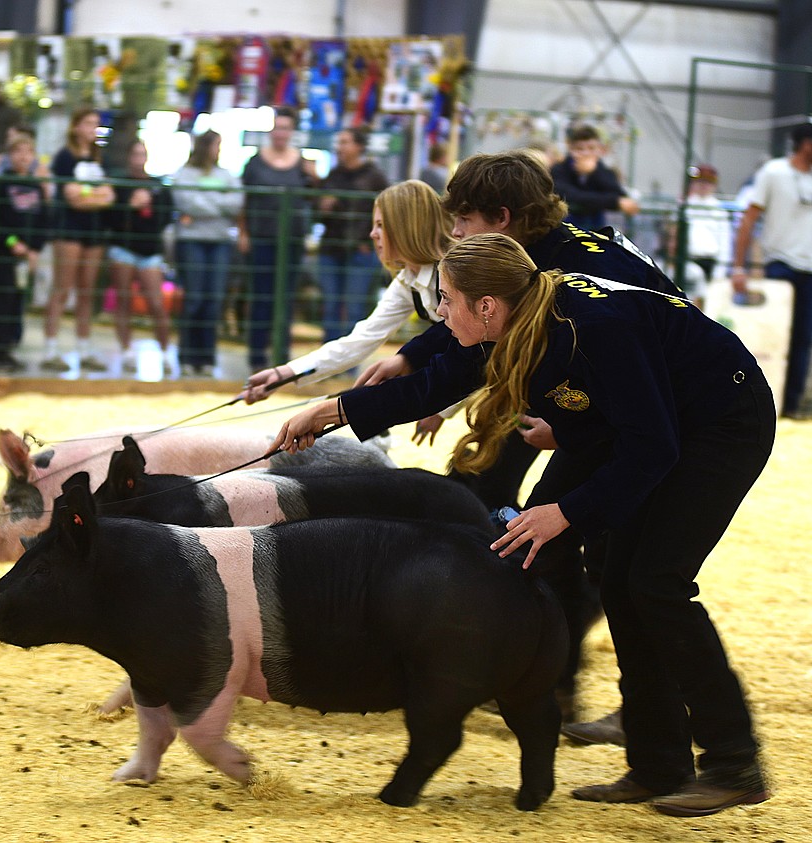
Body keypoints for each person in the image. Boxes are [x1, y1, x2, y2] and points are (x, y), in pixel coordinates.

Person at [276, 232, 776, 817]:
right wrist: (329, 410)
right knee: (617, 577)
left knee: (656, 583)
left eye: (446, 300)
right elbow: (433, 383)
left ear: (486, 306)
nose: (439, 314)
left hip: (720, 421)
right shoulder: (510, 321)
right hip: (657, 425)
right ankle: (659, 764)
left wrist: (565, 511)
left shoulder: (595, 326)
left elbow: (652, 447)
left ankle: (733, 762)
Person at [351, 149, 681, 727]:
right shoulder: (539, 251)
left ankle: (601, 700)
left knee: (618, 568)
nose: (453, 231)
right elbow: (470, 325)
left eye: (464, 219)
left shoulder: (581, 274)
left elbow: (637, 364)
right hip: (583, 412)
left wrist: (581, 421)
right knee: (563, 550)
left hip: (649, 423)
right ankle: (565, 690)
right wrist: (410, 359)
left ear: (501, 218)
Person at [239, 179, 451, 401]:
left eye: (380, 225)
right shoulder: (407, 281)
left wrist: (444, 408)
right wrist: (284, 374)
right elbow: (360, 340)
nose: (372, 234)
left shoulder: (453, 271)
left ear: (406, 226)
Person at [730, 116, 812, 418]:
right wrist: (739, 266)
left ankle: (792, 405)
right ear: (807, 144)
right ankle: (765, 401)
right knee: (776, 336)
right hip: (781, 265)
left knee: (803, 339)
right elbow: (749, 218)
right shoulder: (773, 173)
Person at [237, 105, 318, 370]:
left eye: (285, 128)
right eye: (277, 127)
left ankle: (281, 353)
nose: (280, 133)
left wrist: (315, 178)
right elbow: (243, 200)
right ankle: (256, 354)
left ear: (291, 131)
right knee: (261, 295)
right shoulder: (255, 162)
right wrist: (243, 231)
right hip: (261, 236)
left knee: (286, 296)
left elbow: (313, 197)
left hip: (292, 239)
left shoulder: (302, 162)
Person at [42, 107, 114, 373]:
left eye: (96, 124)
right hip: (68, 228)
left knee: (87, 292)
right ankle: (51, 348)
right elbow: (73, 198)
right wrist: (95, 197)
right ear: (75, 127)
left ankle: (83, 348)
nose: (92, 129)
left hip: (93, 230)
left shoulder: (98, 158)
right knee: (62, 288)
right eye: (87, 123)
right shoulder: (64, 158)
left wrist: (90, 198)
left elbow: (109, 195)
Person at [0, 132, 48, 373]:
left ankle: (12, 344)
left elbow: (44, 220)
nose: (23, 157)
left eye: (28, 152)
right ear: (9, 156)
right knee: (3, 299)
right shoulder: (2, 184)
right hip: (6, 254)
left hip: (28, 256)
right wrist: (13, 242)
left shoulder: (36, 186)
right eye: (18, 152)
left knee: (18, 301)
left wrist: (34, 248)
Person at [172, 129, 242, 377]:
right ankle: (187, 357)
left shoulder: (227, 175)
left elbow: (236, 202)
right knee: (194, 299)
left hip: (220, 242)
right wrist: (219, 204)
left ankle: (207, 358)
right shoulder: (185, 173)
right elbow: (185, 201)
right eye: (216, 145)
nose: (219, 150)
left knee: (214, 301)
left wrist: (206, 204)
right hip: (192, 241)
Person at [105, 139, 176, 376]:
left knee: (156, 304)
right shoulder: (119, 185)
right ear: (128, 157)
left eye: (142, 153)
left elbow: (166, 216)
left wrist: (148, 208)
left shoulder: (158, 186)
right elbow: (110, 217)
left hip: (149, 251)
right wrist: (129, 206)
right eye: (134, 154)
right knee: (123, 301)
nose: (138, 158)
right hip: (123, 248)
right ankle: (126, 351)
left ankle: (166, 354)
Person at [315, 125, 389, 343]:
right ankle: (326, 360)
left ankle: (349, 366)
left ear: (359, 147)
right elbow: (318, 213)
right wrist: (323, 206)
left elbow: (385, 212)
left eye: (345, 142)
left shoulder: (374, 177)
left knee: (355, 308)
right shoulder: (333, 175)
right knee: (330, 305)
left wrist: (370, 240)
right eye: (339, 143)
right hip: (332, 247)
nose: (339, 147)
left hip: (361, 250)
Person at [551, 125, 638, 232]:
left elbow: (618, 193)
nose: (586, 153)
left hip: (595, 229)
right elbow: (570, 196)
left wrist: (595, 172)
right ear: (570, 149)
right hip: (565, 230)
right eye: (579, 149)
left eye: (591, 148)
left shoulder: (603, 171)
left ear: (599, 150)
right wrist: (614, 202)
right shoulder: (558, 170)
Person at [682, 163, 732, 302]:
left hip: (710, 262)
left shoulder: (719, 211)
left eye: (708, 182)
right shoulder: (684, 206)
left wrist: (720, 272)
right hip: (687, 260)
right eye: (700, 181)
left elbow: (724, 243)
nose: (703, 185)